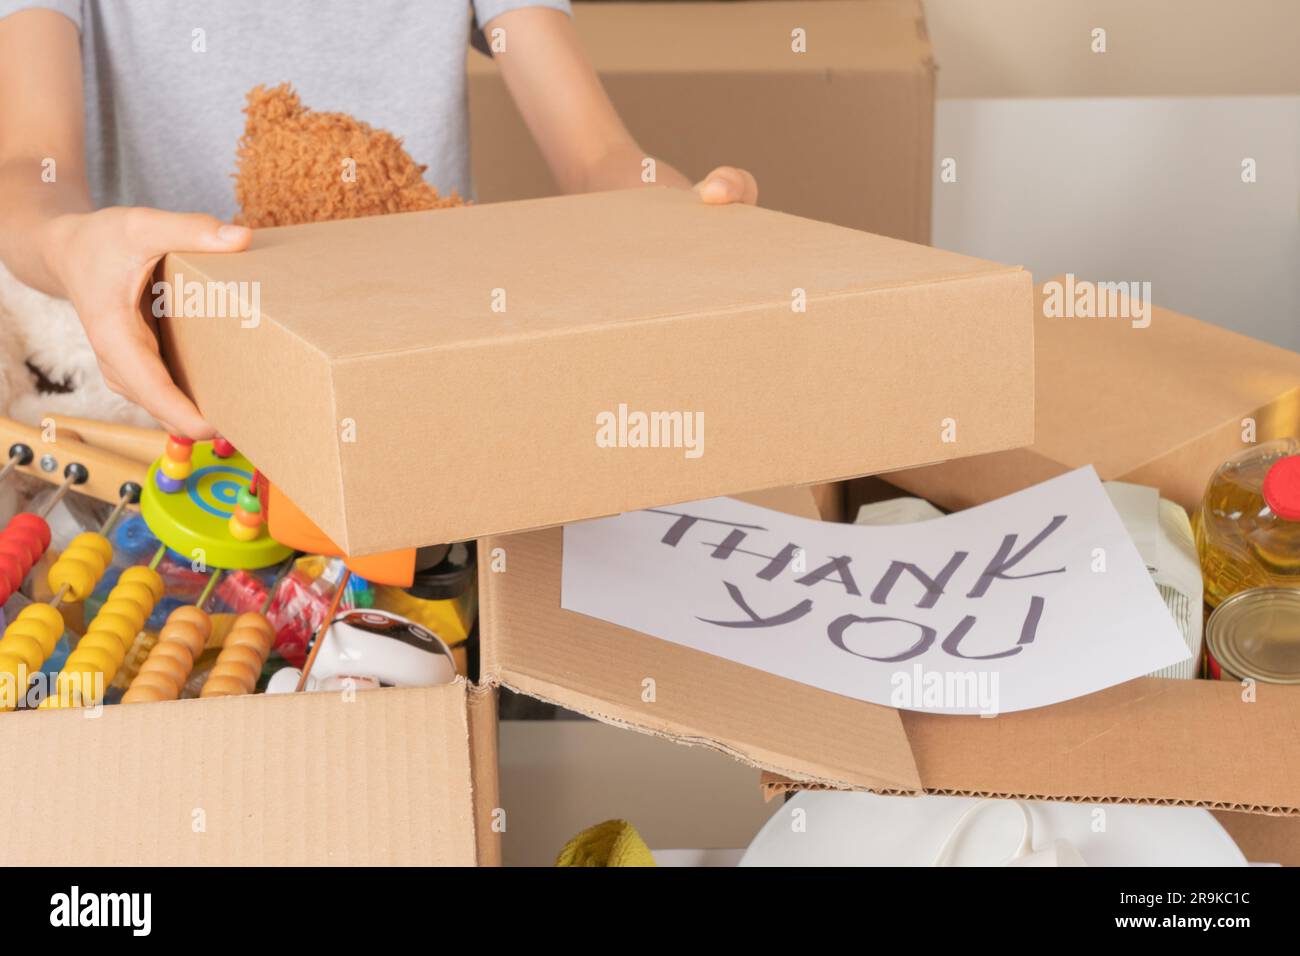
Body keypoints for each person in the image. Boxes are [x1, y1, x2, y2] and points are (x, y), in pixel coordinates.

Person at [0, 1, 758, 436]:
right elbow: (30, 168)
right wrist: (71, 246)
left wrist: (674, 217)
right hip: (171, 394)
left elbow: (598, 154)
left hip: (411, 393)